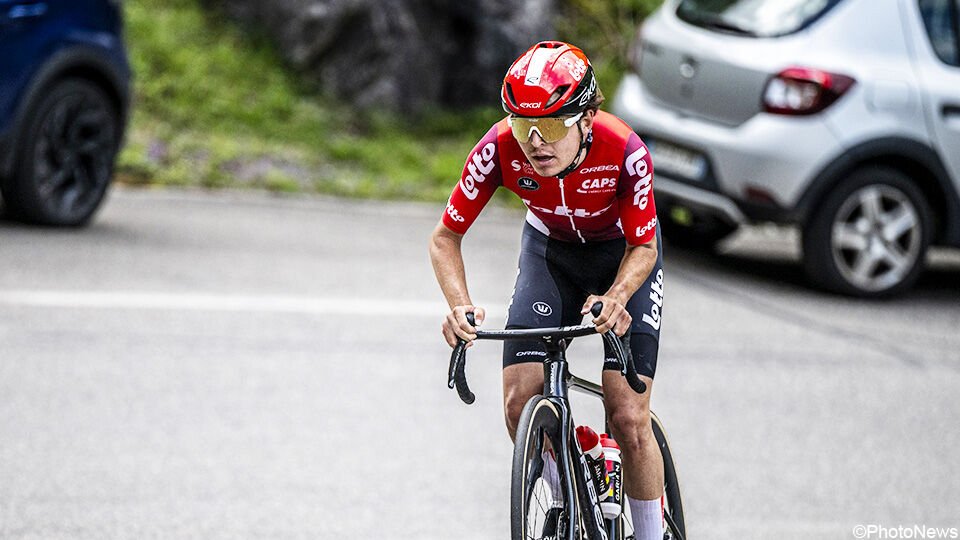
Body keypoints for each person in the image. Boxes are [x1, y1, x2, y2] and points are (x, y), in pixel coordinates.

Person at [429, 41, 665, 539]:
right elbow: (445, 237)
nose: (536, 142)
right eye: (523, 125)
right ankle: (572, 488)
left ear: (588, 117)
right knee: (519, 402)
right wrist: (459, 306)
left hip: (622, 255)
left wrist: (618, 295)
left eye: (553, 126)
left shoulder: (625, 150)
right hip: (551, 252)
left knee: (627, 415)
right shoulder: (498, 148)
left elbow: (644, 245)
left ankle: (648, 532)